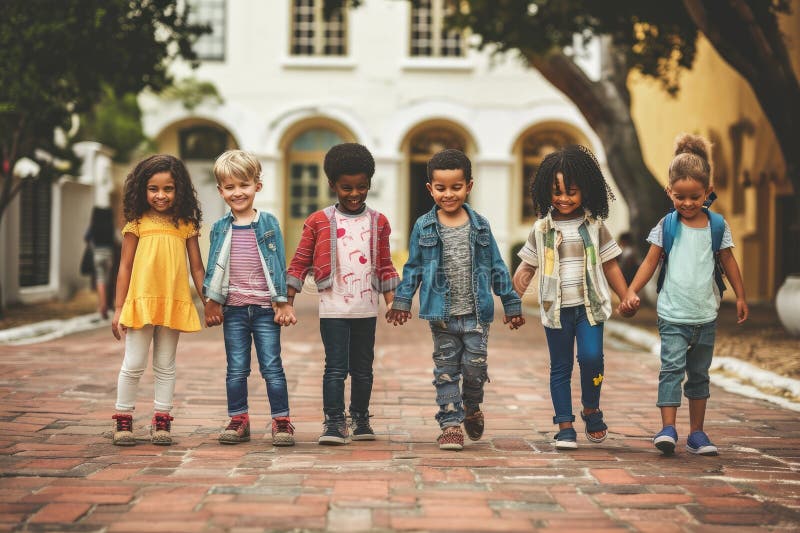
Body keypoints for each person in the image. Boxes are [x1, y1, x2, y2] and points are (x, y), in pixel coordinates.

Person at [387, 149, 525, 451]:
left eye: (456, 187)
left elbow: (497, 267)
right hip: (442, 315)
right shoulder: (423, 226)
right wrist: (402, 301)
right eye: (441, 188)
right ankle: (450, 424)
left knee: (474, 369)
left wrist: (511, 304)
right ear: (430, 189)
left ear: (469, 186)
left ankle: (472, 406)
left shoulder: (481, 225)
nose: (448, 194)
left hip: (477, 314)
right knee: (446, 370)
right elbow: (413, 268)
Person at [620, 133, 748, 456]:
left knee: (699, 376)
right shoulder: (667, 225)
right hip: (673, 315)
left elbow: (728, 262)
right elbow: (650, 262)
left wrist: (742, 297)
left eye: (694, 197)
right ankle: (667, 428)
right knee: (671, 370)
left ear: (707, 192)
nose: (688, 203)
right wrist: (631, 291)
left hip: (705, 315)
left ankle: (697, 434)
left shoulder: (717, 226)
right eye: (680, 197)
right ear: (669, 192)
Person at [512, 144, 628, 450]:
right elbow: (527, 266)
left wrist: (626, 294)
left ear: (586, 191)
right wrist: (513, 301)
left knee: (592, 359)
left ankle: (591, 408)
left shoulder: (595, 226)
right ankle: (564, 425)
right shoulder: (541, 229)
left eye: (571, 191)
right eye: (557, 191)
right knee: (560, 366)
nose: (563, 198)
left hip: (590, 308)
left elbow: (610, 263)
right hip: (557, 310)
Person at [287, 143, 399, 446]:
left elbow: (386, 266)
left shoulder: (379, 222)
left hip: (366, 310)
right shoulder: (318, 221)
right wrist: (287, 302)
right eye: (346, 187)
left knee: (363, 369)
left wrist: (393, 302)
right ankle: (334, 422)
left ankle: (360, 418)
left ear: (369, 184)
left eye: (361, 187)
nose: (354, 194)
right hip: (333, 310)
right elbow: (299, 262)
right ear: (332, 185)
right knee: (335, 368)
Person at [203, 150, 297, 447]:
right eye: (229, 187)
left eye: (243, 185)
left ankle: (281, 420)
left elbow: (278, 263)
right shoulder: (219, 228)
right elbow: (213, 269)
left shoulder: (268, 223)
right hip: (234, 311)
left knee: (272, 366)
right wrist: (212, 302)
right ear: (221, 191)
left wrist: (282, 302)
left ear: (257, 185)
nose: (237, 192)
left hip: (265, 310)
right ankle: (238, 419)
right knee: (236, 368)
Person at [110, 155, 206, 446]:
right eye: (154, 189)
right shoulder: (136, 223)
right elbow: (124, 267)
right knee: (134, 363)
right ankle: (123, 419)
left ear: (180, 190)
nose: (161, 195)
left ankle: (162, 421)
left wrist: (210, 301)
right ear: (143, 189)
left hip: (173, 301)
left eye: (168, 189)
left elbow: (197, 268)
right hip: (141, 302)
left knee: (166, 365)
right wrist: (118, 308)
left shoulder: (185, 224)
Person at [85, 206, 116, 319]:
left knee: (100, 280)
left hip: (97, 255)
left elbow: (86, 237)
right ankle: (106, 305)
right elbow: (116, 239)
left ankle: (102, 305)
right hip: (108, 256)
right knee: (106, 281)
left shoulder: (93, 226)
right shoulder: (110, 226)